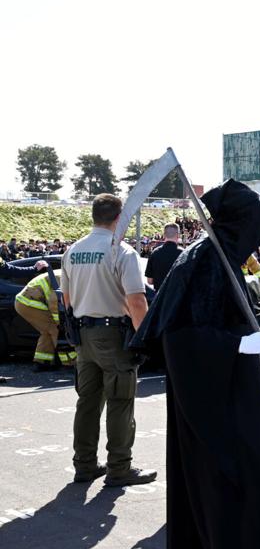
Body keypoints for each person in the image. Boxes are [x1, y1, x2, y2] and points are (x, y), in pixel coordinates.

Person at [132, 179, 260, 549]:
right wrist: (239, 344)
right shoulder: (209, 257)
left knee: (204, 491)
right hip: (221, 403)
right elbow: (179, 338)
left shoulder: (211, 255)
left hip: (219, 394)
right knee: (238, 492)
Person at [60, 193, 155, 487]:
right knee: (120, 401)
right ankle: (119, 467)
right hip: (114, 335)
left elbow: (66, 299)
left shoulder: (72, 251)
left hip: (83, 335)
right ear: (119, 218)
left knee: (87, 403)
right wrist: (145, 338)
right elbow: (137, 302)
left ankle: (85, 465)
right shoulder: (121, 252)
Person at [15, 270, 76, 370]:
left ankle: (43, 362)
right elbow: (54, 302)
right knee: (56, 330)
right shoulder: (62, 279)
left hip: (24, 302)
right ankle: (69, 362)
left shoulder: (64, 274)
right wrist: (61, 322)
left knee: (47, 331)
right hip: (28, 304)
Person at [144, 223, 181, 291]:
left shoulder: (154, 253)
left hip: (159, 297)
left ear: (164, 235)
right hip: (178, 297)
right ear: (178, 235)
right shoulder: (183, 254)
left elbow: (150, 281)